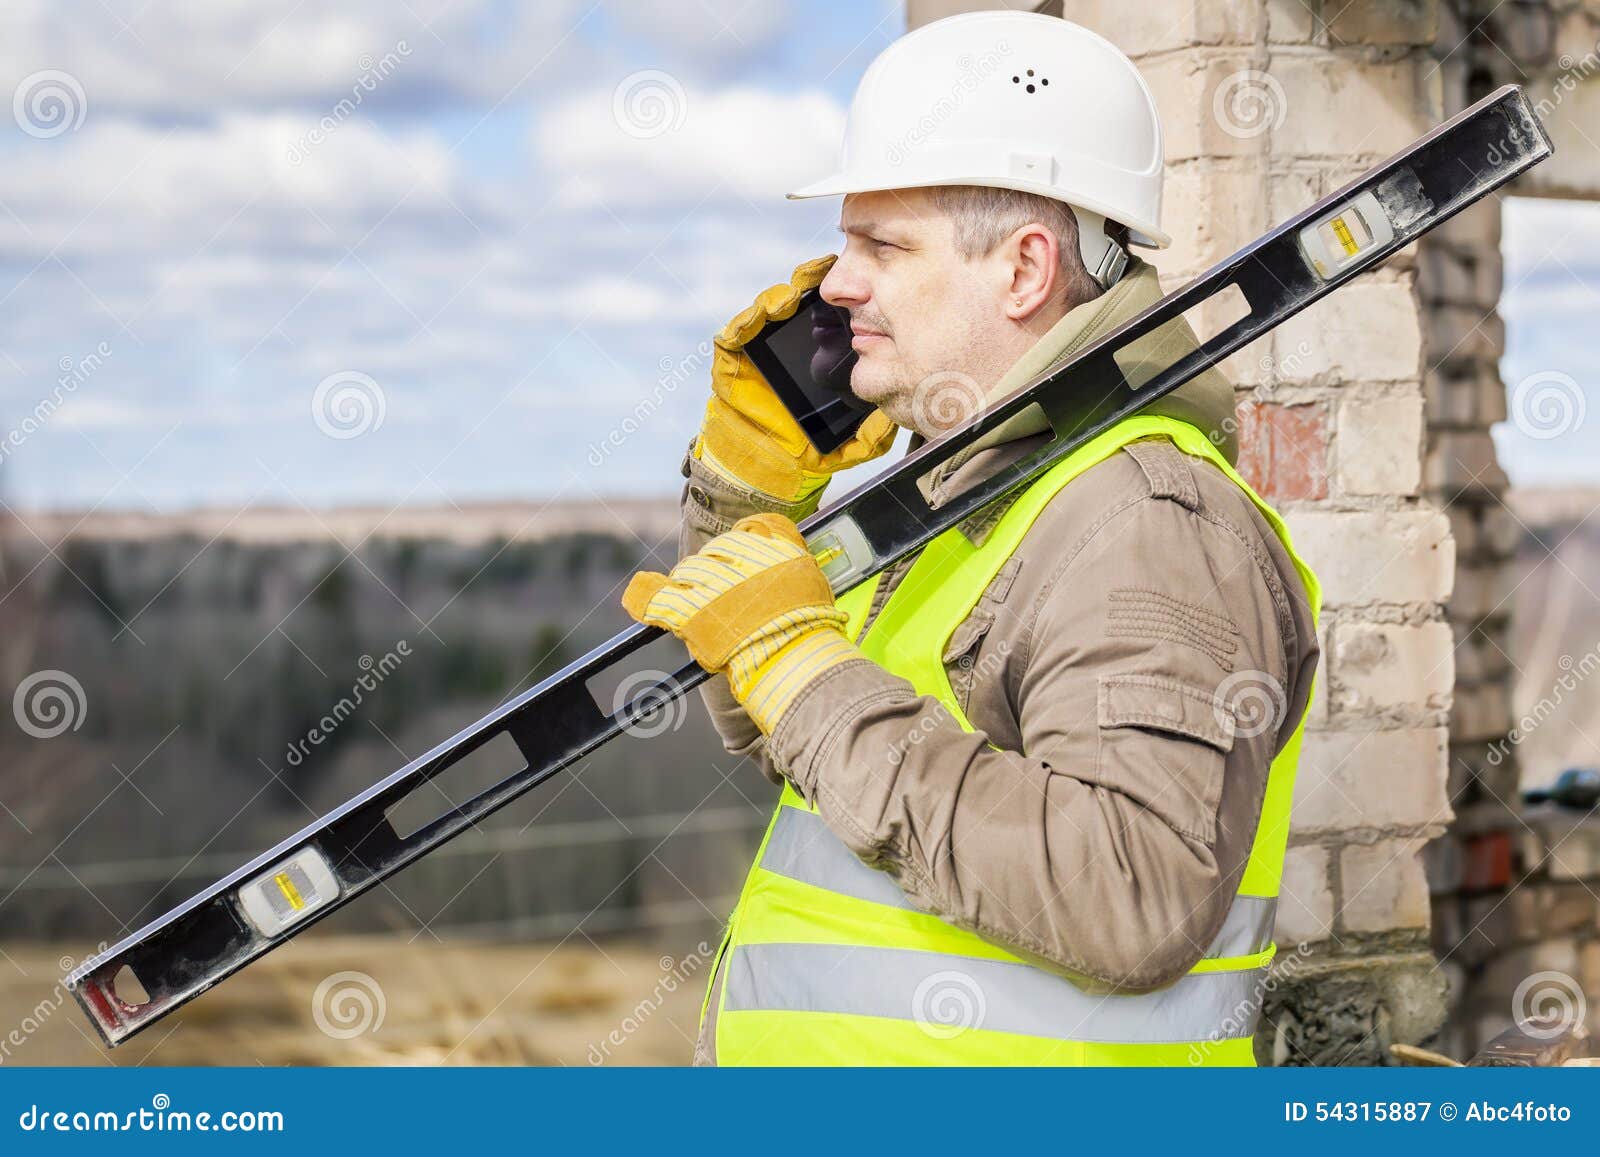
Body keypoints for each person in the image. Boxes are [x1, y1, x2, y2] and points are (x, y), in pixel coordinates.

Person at [623, 10, 1321, 1066]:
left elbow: (1134, 893)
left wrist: (804, 670)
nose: (835, 282)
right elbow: (811, 751)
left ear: (1024, 269)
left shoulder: (1141, 517)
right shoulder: (971, 496)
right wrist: (743, 495)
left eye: (880, 246)